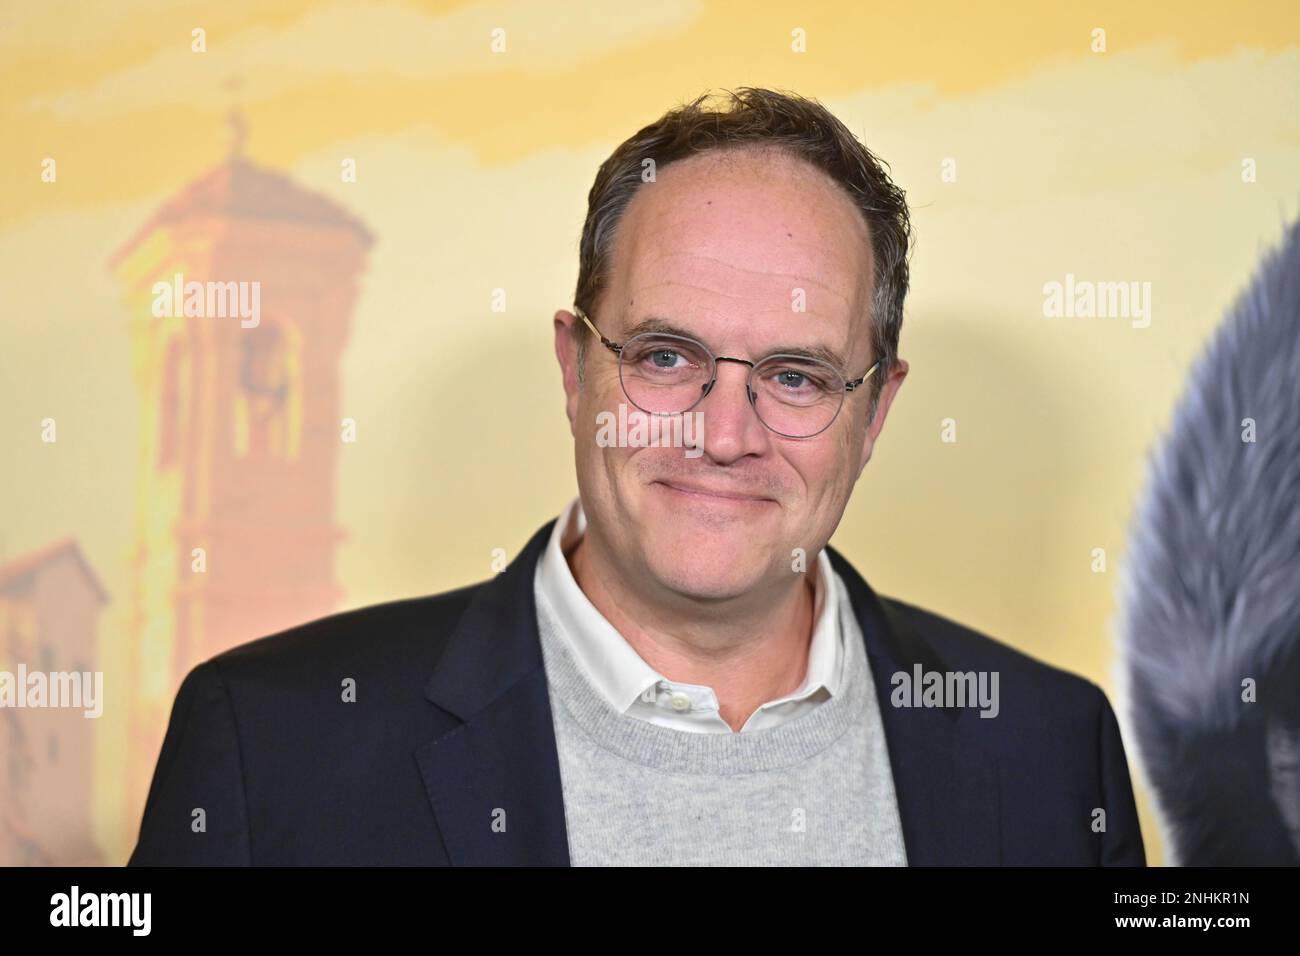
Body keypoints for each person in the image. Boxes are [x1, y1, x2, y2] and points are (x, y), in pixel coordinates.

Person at [129, 87, 1145, 866]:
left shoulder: (1049, 747)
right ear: (575, 369)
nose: (722, 431)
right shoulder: (271, 743)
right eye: (665, 356)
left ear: (873, 411)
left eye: (795, 375)